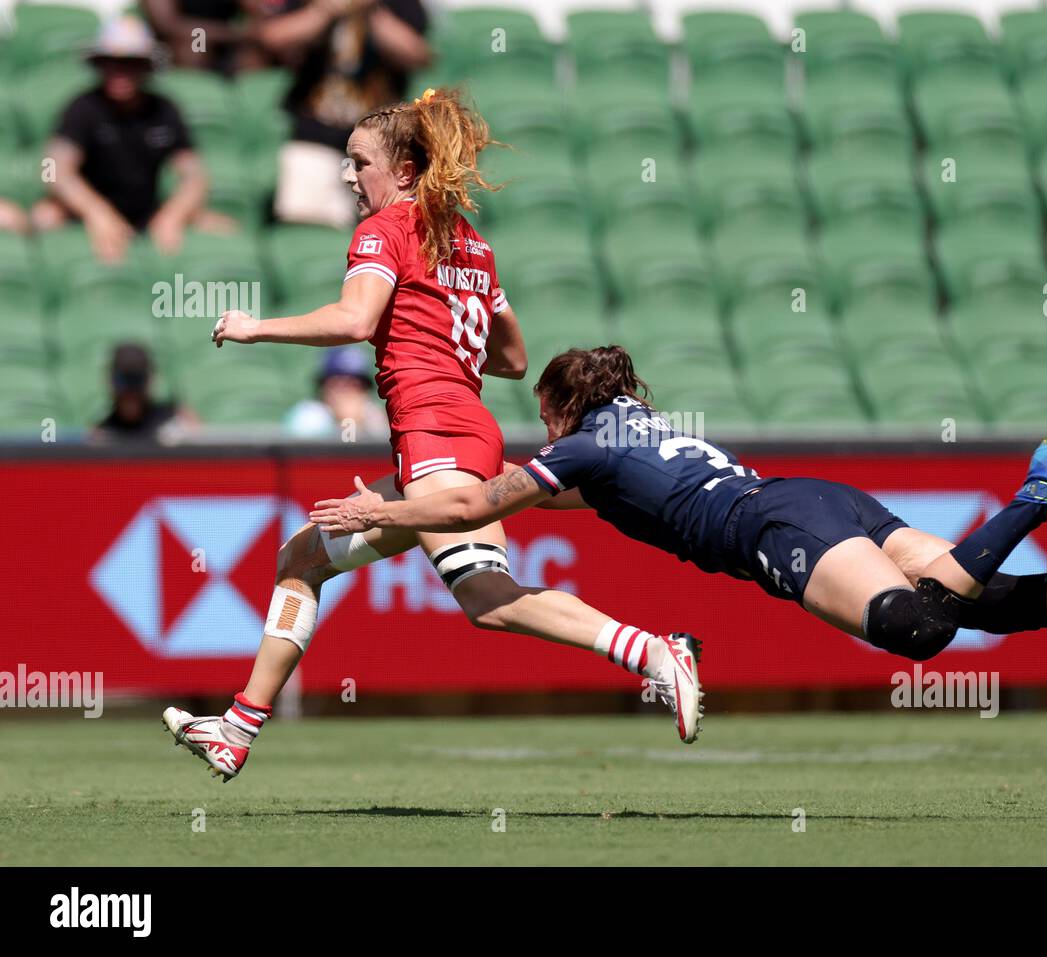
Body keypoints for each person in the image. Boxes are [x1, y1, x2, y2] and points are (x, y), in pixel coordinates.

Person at [163, 90, 701, 784]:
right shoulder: (470, 241)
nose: (350, 177)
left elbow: (356, 321)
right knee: (301, 557)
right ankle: (238, 727)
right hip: (455, 434)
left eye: (361, 163)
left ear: (406, 170)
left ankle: (658, 655)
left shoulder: (386, 229)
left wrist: (256, 326)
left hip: (439, 438)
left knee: (487, 596)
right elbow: (509, 358)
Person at [309, 345, 1047, 709]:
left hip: (776, 526)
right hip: (819, 497)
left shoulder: (586, 446)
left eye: (545, 414)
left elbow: (479, 502)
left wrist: (380, 510)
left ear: (559, 408)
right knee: (993, 604)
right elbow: (511, 498)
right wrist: (414, 504)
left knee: (922, 629)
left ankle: (1046, 487)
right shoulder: (632, 435)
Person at [31, 16, 236, 262]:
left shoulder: (164, 110)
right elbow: (53, 171)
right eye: (112, 63)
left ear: (145, 67)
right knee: (44, 217)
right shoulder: (82, 107)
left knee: (225, 228)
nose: (120, 73)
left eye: (130, 63)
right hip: (83, 209)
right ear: (101, 64)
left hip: (146, 210)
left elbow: (194, 176)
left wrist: (174, 214)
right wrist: (95, 212)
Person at [257, 0, 431, 228]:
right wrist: (325, 10)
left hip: (380, 143)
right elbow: (272, 37)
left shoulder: (397, 5)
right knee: (308, 227)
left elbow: (418, 55)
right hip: (315, 135)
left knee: (383, 229)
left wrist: (372, 12)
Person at [89, 342, 197, 442]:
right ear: (110, 381)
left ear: (150, 380)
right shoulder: (101, 435)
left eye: (136, 380)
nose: (130, 391)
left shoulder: (178, 418)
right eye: (122, 380)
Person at [282, 345, 388, 439]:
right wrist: (349, 421)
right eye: (338, 383)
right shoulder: (308, 415)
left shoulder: (375, 415)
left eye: (354, 384)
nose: (346, 391)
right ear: (323, 387)